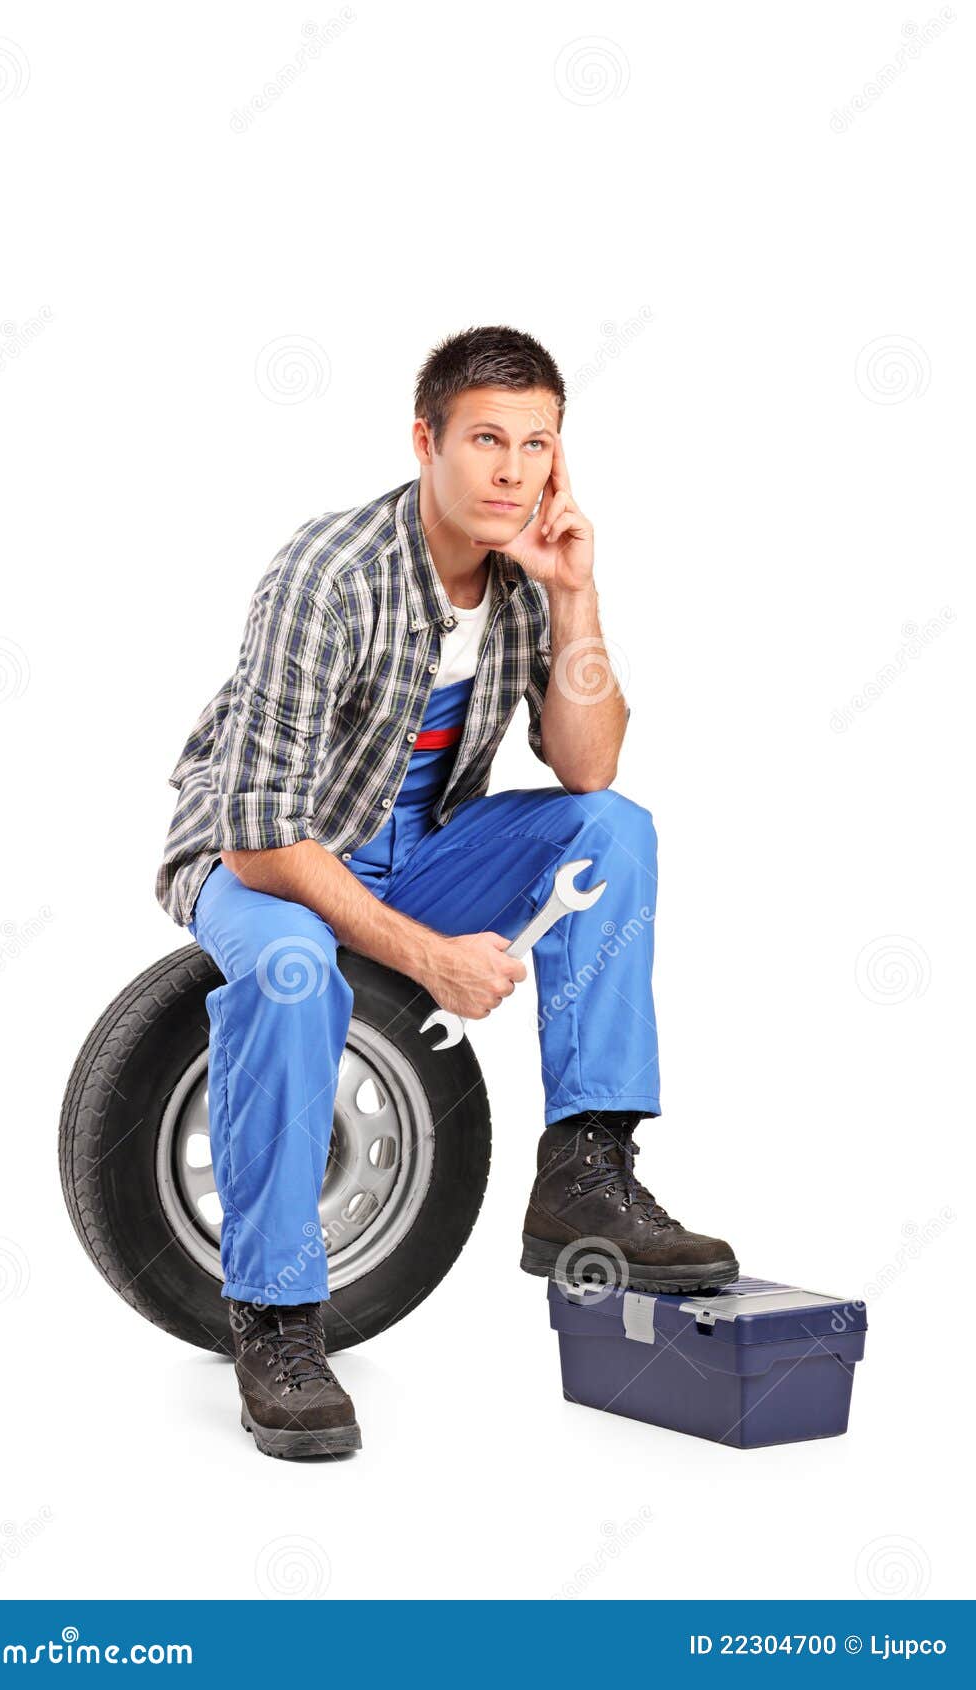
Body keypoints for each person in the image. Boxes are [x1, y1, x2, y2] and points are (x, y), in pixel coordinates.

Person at [154, 324, 739, 1460]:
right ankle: (275, 1320)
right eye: (485, 440)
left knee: (613, 831)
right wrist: (431, 959)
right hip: (263, 847)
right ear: (424, 441)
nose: (512, 471)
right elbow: (262, 834)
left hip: (417, 841)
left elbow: (585, 768)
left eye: (536, 444)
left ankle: (584, 1169)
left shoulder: (526, 571)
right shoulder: (326, 571)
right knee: (288, 968)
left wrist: (575, 595)